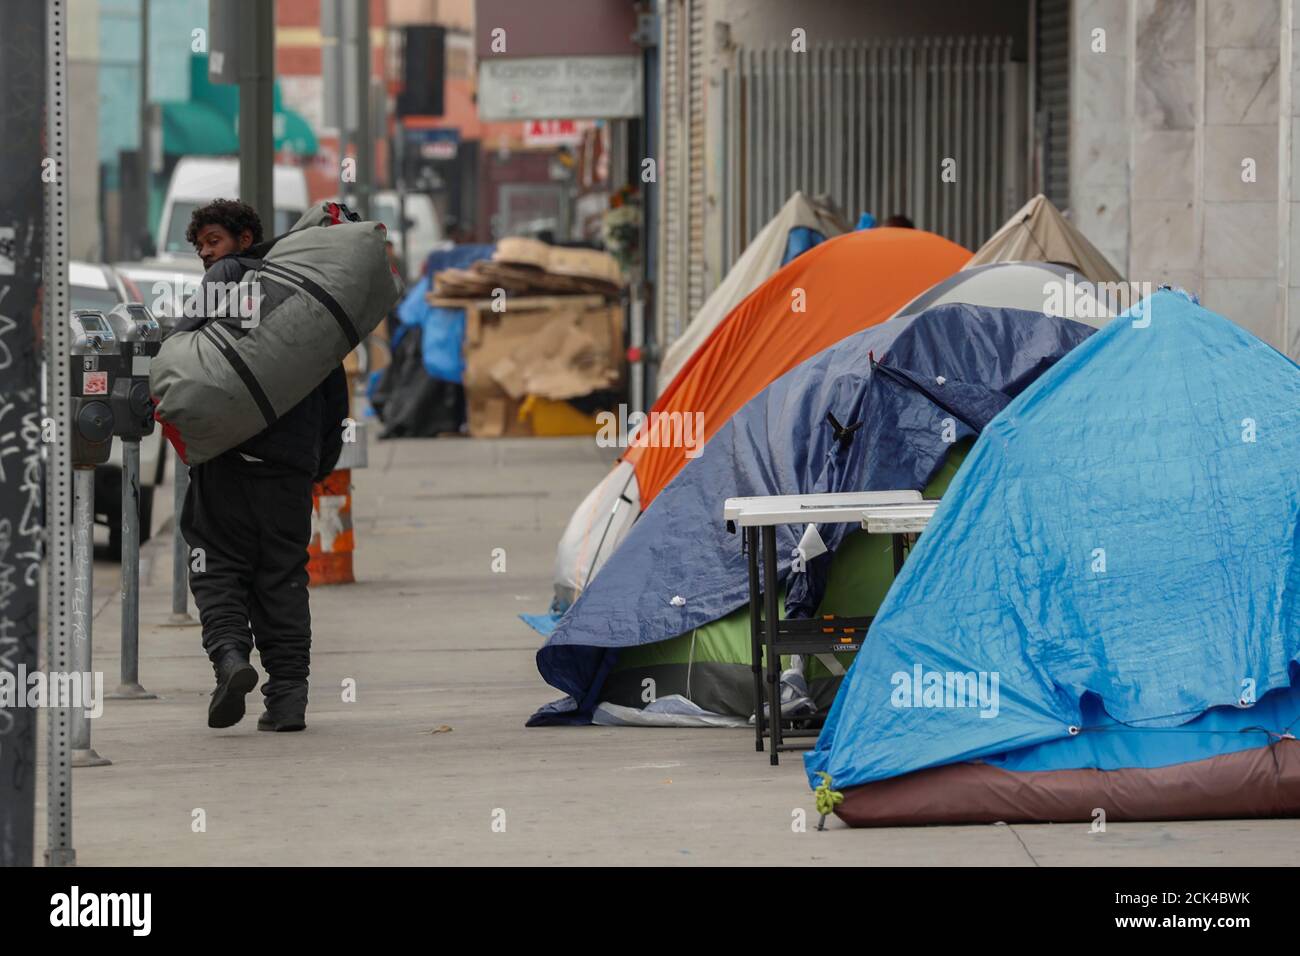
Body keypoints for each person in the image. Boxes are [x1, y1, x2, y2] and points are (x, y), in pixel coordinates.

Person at [175, 199, 348, 732]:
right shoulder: (305, 295)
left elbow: (179, 350)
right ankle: (289, 697)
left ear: (245, 239)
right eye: (200, 245)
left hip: (228, 459)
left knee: (215, 561)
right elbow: (335, 392)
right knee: (283, 576)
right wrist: (318, 463)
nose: (206, 254)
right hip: (290, 468)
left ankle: (230, 657)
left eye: (213, 240)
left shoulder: (226, 278)